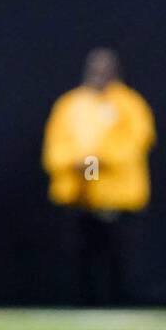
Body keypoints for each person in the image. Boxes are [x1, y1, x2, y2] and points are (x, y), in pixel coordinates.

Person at [42, 48, 155, 305]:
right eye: (95, 69)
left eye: (105, 70)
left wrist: (99, 159)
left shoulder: (129, 105)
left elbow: (136, 143)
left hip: (116, 197)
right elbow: (55, 147)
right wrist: (75, 162)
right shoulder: (70, 105)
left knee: (118, 257)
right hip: (78, 196)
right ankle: (81, 305)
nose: (99, 75)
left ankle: (121, 305)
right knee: (79, 258)